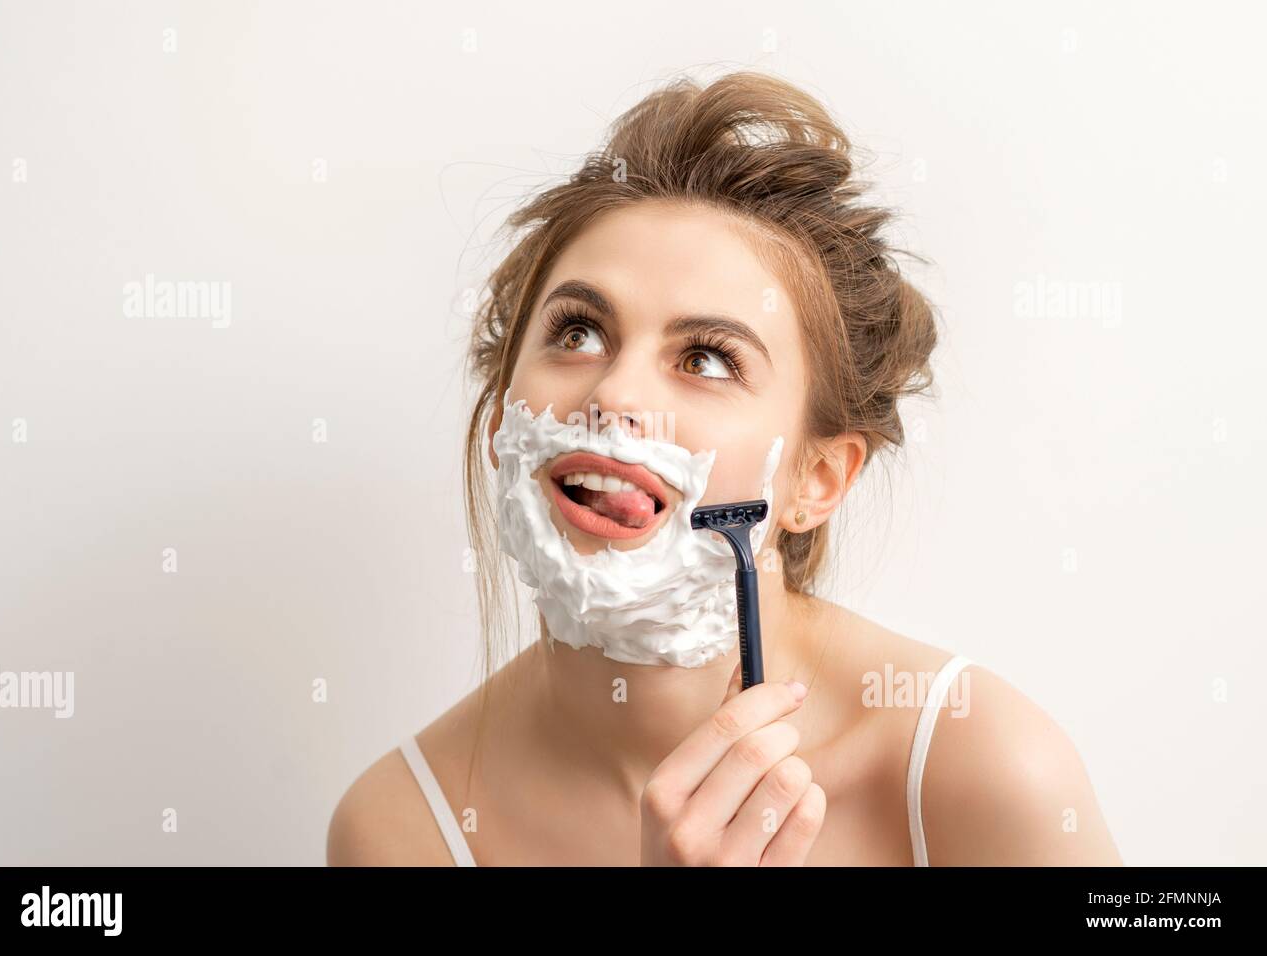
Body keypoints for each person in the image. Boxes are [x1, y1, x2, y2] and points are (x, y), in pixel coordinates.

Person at [327, 70, 1122, 866]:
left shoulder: (981, 769)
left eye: (705, 357)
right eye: (577, 333)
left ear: (820, 480)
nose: (613, 393)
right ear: (503, 417)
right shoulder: (403, 829)